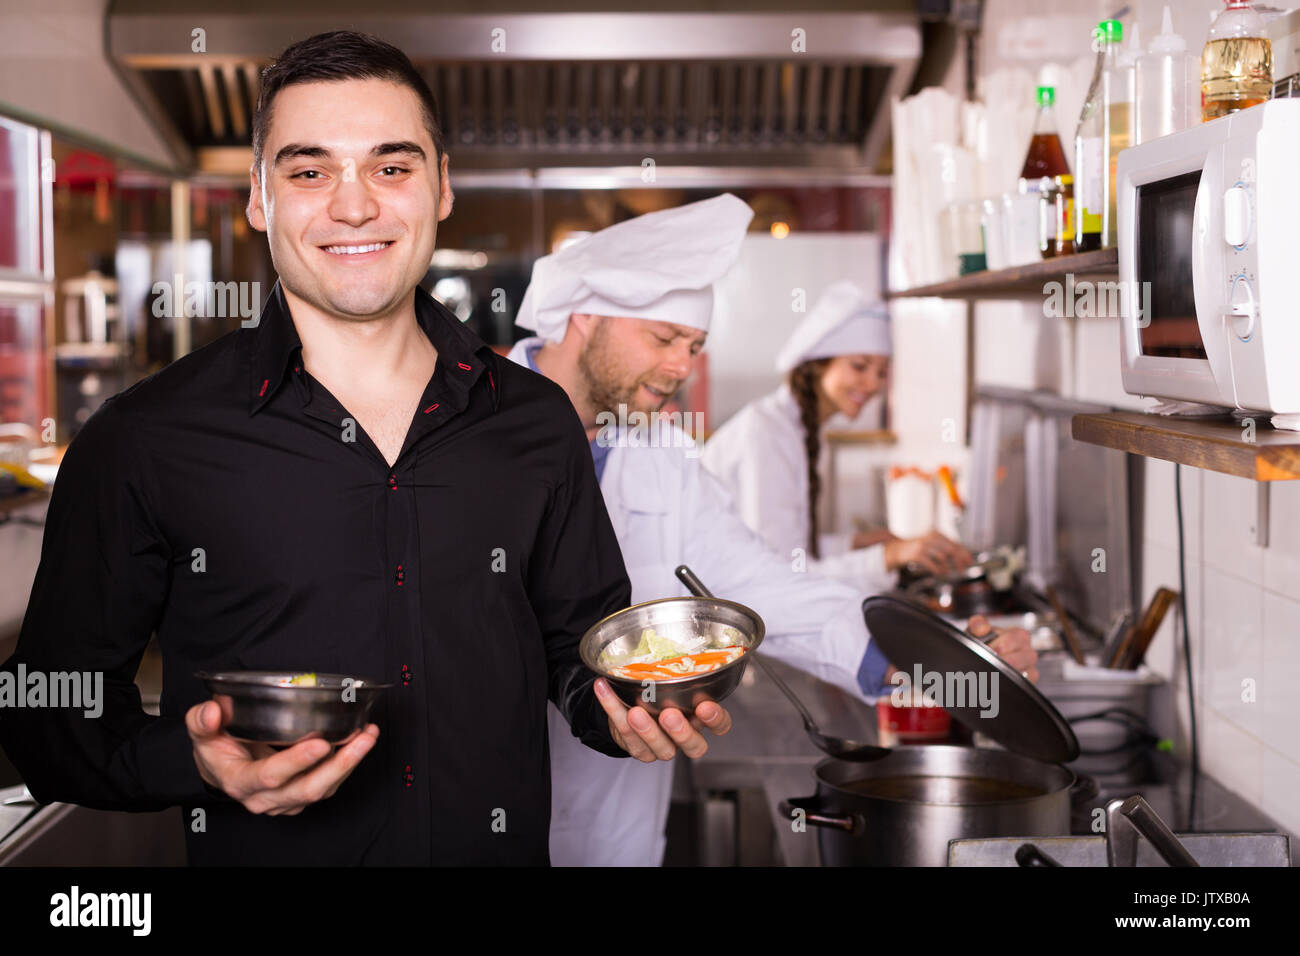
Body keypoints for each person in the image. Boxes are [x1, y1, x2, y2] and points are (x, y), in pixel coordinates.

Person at [0, 31, 731, 866]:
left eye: (392, 166)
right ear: (258, 197)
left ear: (441, 187)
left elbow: (579, 650)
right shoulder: (144, 438)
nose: (354, 206)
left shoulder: (533, 421)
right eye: (310, 171)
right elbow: (43, 710)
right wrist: (191, 759)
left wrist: (633, 710)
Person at [508, 194, 1039, 866]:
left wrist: (943, 658)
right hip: (477, 805)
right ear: (583, 315)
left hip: (614, 818)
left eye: (694, 346)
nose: (681, 368)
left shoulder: (662, 456)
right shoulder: (468, 430)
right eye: (664, 339)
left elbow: (764, 585)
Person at [702, 280, 971, 589]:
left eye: (882, 373)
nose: (872, 385)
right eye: (859, 366)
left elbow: (791, 548)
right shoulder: (766, 434)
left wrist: (860, 542)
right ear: (819, 366)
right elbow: (779, 572)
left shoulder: (804, 431)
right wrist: (888, 555)